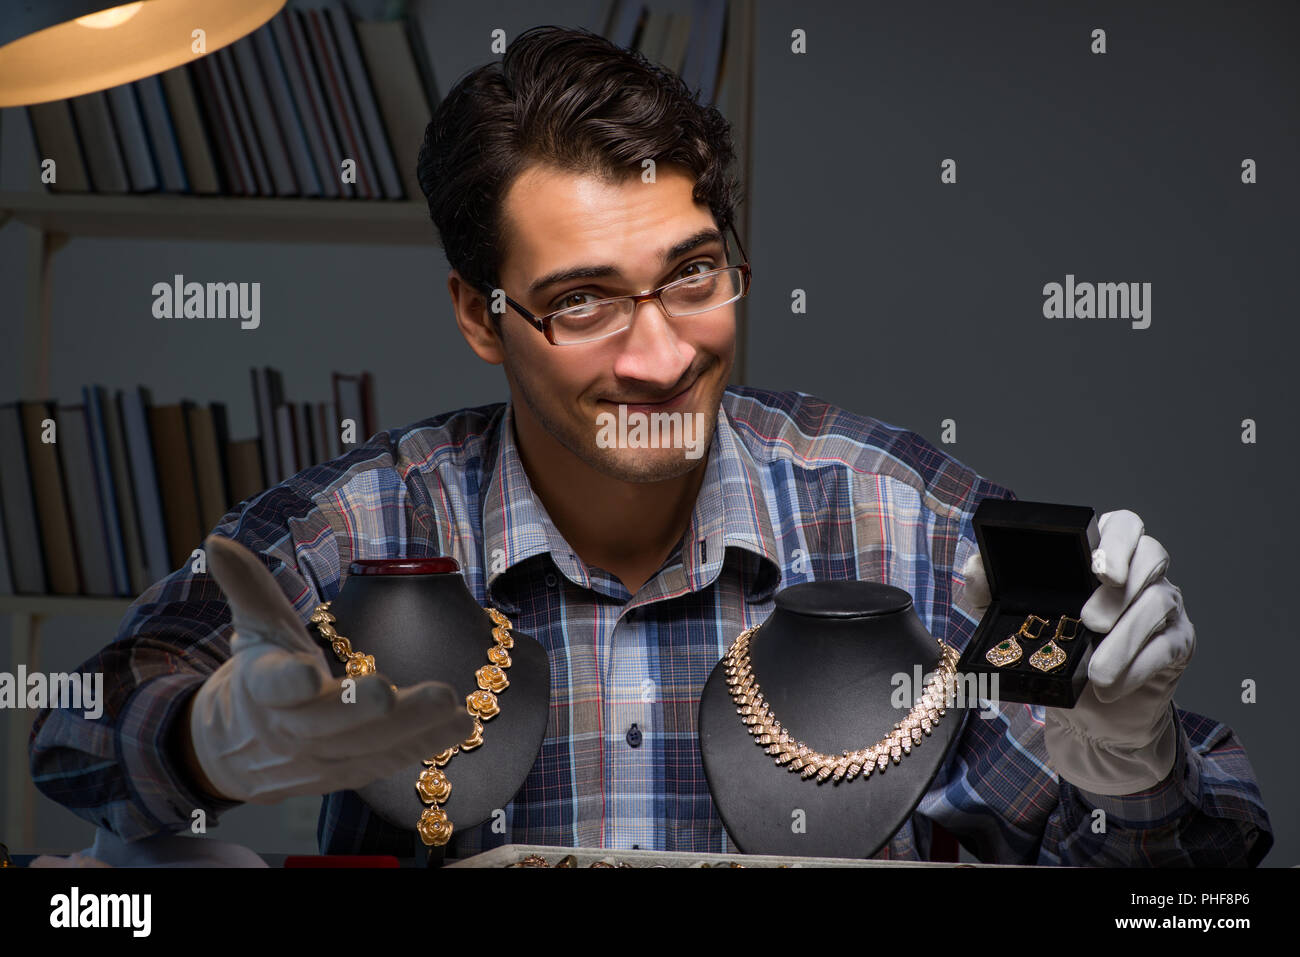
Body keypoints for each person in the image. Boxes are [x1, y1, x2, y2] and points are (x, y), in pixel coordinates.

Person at [30, 26, 1271, 865]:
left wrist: (1126, 762)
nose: (661, 354)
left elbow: (1193, 871)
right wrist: (206, 740)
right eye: (581, 303)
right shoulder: (360, 526)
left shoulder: (904, 517)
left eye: (692, 275)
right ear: (480, 315)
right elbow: (79, 736)